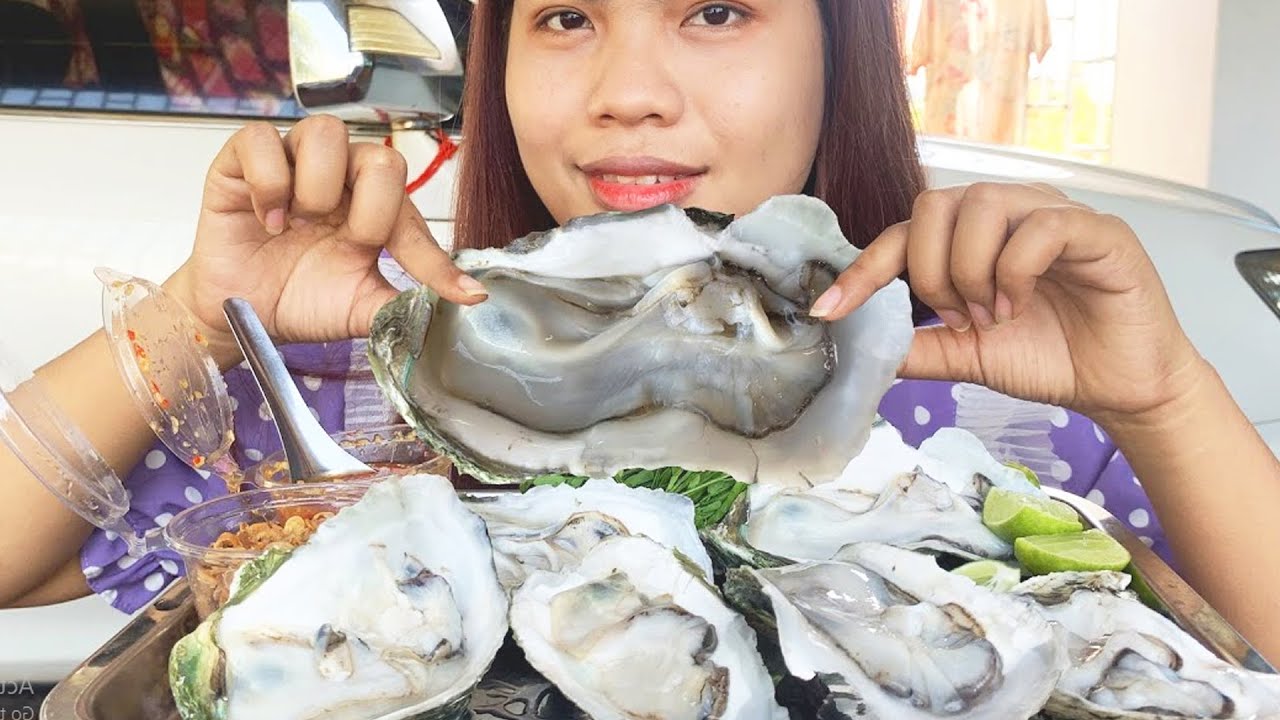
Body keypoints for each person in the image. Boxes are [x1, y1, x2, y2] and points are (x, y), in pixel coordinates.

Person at [1, 0, 1276, 663]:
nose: (626, 94)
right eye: (564, 19)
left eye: (714, 10)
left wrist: (1158, 397)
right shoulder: (372, 389)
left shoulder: (1005, 413)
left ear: (839, 52)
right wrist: (197, 312)